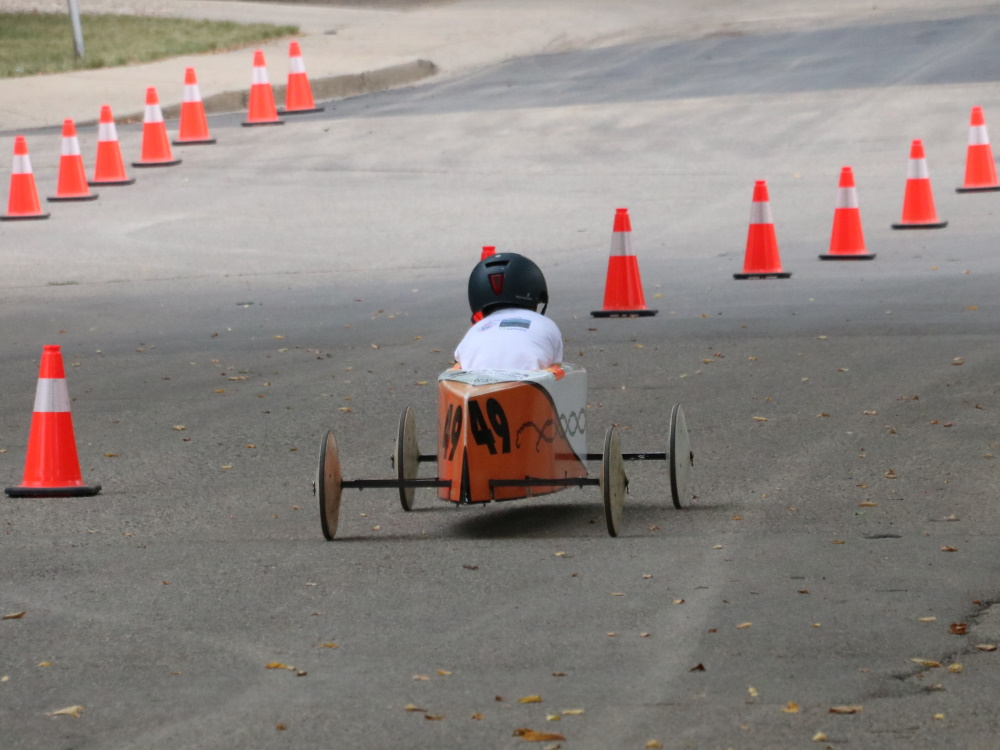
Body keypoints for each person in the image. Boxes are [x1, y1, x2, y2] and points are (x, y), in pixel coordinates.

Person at [454, 253, 563, 371]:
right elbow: (555, 371)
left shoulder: (473, 332)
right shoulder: (546, 325)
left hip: (477, 388)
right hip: (530, 387)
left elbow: (458, 368)